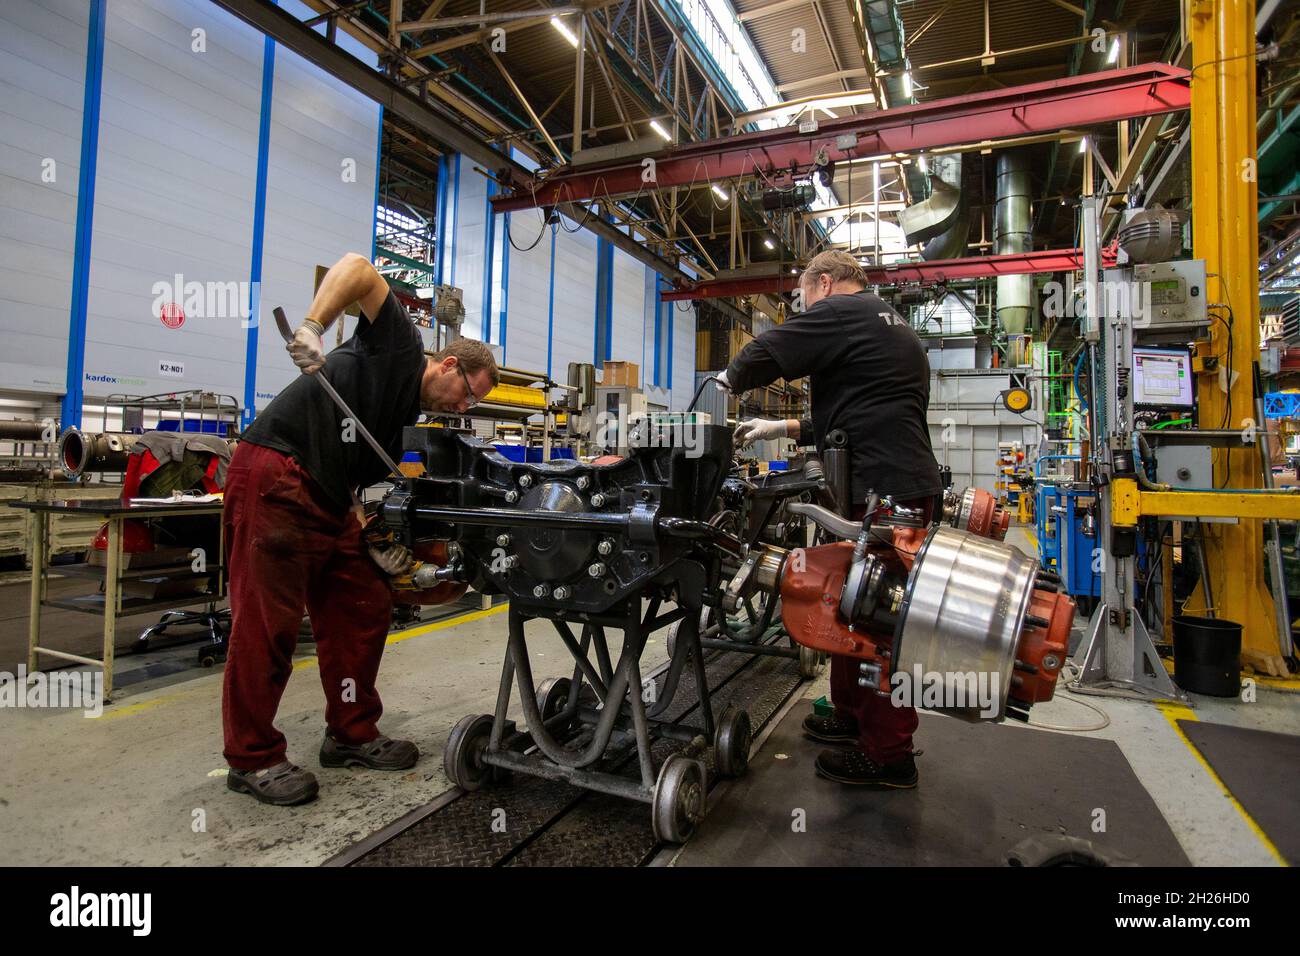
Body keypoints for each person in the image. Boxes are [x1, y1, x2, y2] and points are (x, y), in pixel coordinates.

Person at [222, 252, 499, 805]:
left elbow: (350, 476)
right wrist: (311, 328)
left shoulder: (401, 422)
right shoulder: (398, 349)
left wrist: (373, 540)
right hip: (277, 473)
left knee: (363, 602)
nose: (464, 406)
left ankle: (349, 732)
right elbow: (357, 268)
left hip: (325, 498)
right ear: (447, 364)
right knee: (267, 624)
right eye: (468, 393)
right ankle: (252, 758)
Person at [721, 249, 941, 790]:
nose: (802, 308)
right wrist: (781, 430)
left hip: (886, 496)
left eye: (801, 298)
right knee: (852, 604)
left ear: (823, 282)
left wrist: (727, 383)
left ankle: (889, 754)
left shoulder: (841, 312)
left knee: (882, 622)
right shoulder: (888, 323)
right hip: (897, 485)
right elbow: (853, 417)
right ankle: (851, 716)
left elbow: (762, 353)